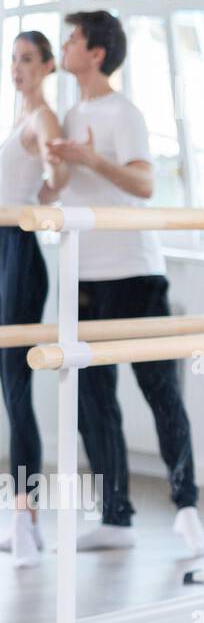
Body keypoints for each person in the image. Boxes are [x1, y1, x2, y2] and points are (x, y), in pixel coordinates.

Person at [42, 12, 204, 555]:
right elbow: (64, 190)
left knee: (160, 392)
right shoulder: (69, 111)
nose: (64, 46)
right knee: (92, 399)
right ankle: (116, 518)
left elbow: (144, 183)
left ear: (96, 52)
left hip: (134, 275)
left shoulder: (124, 111)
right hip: (83, 278)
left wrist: (93, 157)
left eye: (72, 39)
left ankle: (187, 509)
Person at [0, 31, 61, 567]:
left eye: (26, 59)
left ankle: (26, 515)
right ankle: (25, 516)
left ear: (46, 66)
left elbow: (56, 170)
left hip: (18, 252)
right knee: (8, 384)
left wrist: (55, 173)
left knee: (16, 384)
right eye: (13, 58)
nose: (16, 67)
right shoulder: (18, 117)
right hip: (2, 248)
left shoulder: (42, 116)